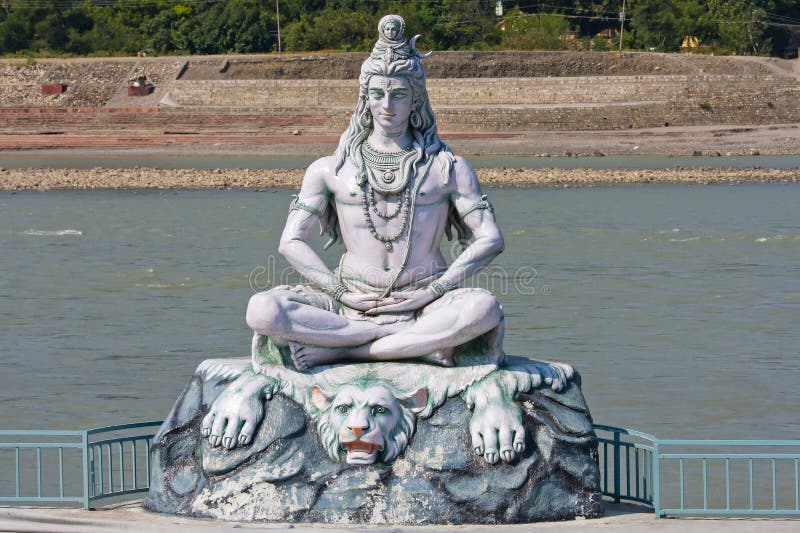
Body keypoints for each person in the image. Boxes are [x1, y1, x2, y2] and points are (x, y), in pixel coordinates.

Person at [246, 15, 506, 371]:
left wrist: (433, 291)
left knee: (483, 308)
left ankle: (347, 349)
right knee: (262, 310)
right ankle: (400, 344)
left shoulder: (447, 167)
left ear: (415, 99)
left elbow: (490, 238)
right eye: (377, 94)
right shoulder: (329, 168)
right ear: (364, 99)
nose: (387, 105)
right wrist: (340, 294)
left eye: (399, 94)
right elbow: (290, 242)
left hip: (425, 303)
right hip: (350, 303)